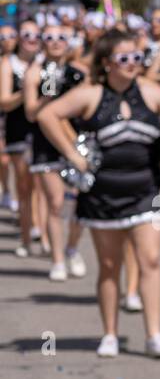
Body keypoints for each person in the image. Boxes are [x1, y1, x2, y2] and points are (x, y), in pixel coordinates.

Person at [36, 28, 160, 358]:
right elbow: (48, 114)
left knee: (149, 260)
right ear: (107, 62)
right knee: (109, 266)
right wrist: (73, 154)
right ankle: (110, 333)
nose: (132, 64)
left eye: (137, 57)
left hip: (146, 189)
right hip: (103, 193)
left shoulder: (150, 91)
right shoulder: (90, 93)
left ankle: (153, 334)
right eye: (124, 59)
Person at [25, 20, 88, 282]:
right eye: (49, 38)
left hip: (76, 141)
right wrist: (46, 99)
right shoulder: (35, 72)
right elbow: (30, 113)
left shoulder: (79, 72)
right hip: (45, 143)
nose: (55, 42)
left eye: (60, 37)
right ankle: (58, 259)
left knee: (80, 204)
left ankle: (72, 248)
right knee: (55, 202)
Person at [1, 19, 41, 258]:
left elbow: (51, 99)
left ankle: (43, 233)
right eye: (25, 34)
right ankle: (27, 235)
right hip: (18, 128)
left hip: (42, 130)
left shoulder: (46, 64)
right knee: (25, 184)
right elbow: (4, 101)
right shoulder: (8, 64)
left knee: (43, 187)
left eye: (36, 34)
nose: (31, 39)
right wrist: (26, 91)